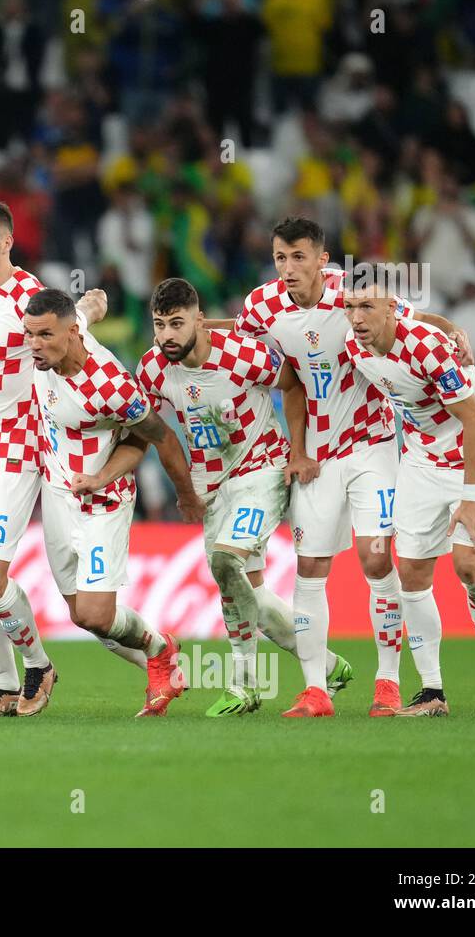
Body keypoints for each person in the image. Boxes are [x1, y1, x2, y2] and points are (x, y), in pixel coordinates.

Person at [217, 216, 473, 716]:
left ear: (322, 260)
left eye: (297, 257)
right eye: (279, 258)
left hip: (373, 447)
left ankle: (388, 682)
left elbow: (412, 319)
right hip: (315, 457)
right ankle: (316, 690)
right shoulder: (261, 306)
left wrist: (454, 330)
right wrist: (296, 449)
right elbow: (277, 370)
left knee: (376, 560)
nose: (287, 268)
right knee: (310, 569)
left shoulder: (350, 296)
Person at [137, 278, 348, 717]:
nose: (167, 336)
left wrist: (298, 451)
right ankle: (328, 665)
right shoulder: (153, 369)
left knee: (225, 559)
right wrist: (184, 490)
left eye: (177, 324)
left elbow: (292, 387)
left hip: (262, 469)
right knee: (244, 586)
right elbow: (151, 430)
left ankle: (244, 684)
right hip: (212, 486)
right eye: (159, 325)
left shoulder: (243, 354)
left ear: (198, 318)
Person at [0, 195, 106, 717]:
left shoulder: (28, 294)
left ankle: (39, 664)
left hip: (11, 454)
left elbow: (60, 326)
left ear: (7, 241)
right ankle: (1, 684)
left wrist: (88, 309)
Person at [23, 287, 201, 716]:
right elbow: (83, 310)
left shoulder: (112, 385)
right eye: (29, 334)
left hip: (103, 500)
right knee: (82, 616)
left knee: (98, 615)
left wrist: (185, 496)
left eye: (44, 335)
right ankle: (167, 671)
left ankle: (161, 650)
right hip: (57, 494)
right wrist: (92, 302)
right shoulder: (63, 333)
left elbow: (155, 439)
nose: (34, 345)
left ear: (69, 335)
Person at [344, 289, 475, 717]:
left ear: (390, 312)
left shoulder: (424, 347)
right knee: (413, 572)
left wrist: (470, 500)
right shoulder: (354, 343)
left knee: (468, 566)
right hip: (420, 458)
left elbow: (473, 420)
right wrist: (455, 326)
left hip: (474, 452)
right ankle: (432, 692)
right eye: (350, 308)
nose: (357, 317)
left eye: (367, 308)